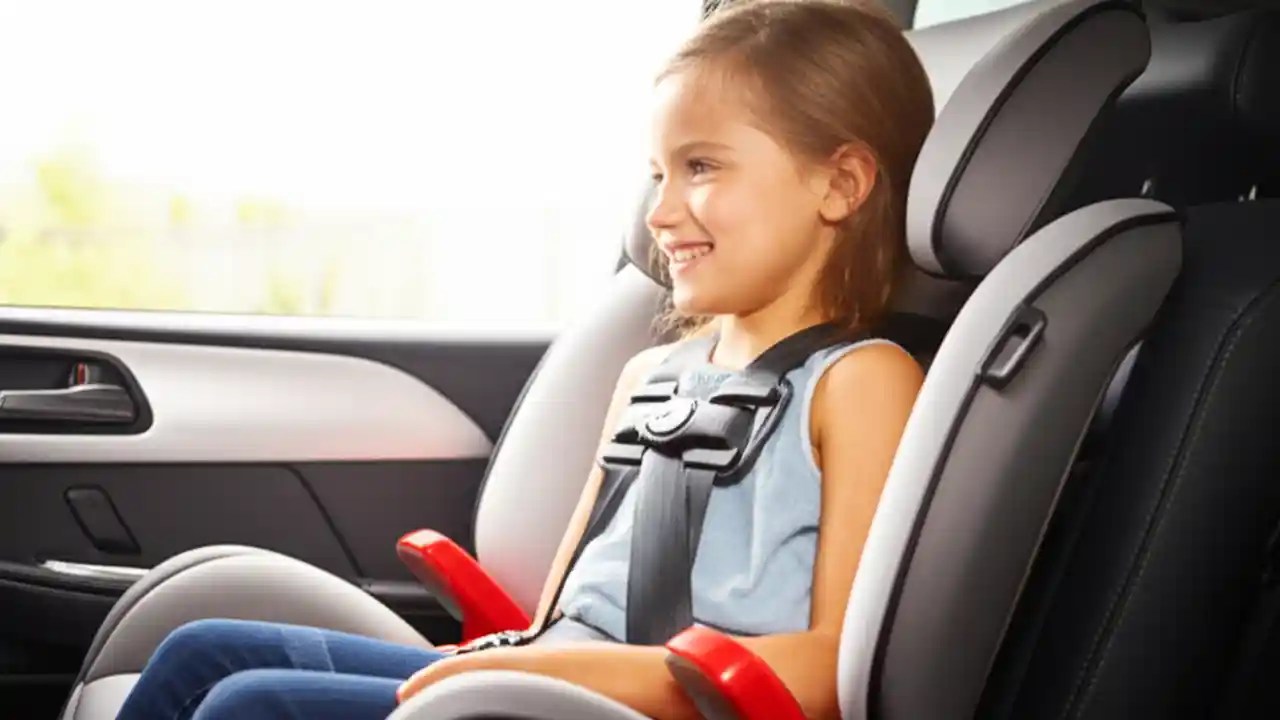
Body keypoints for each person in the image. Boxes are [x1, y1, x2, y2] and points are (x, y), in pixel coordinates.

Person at [112, 1, 934, 718]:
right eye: (657, 175)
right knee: (203, 650)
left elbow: (834, 669)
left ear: (841, 185)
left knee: (255, 706)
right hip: (554, 678)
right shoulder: (652, 377)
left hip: (665, 706)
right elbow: (566, 609)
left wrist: (536, 670)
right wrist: (518, 661)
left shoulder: (859, 382)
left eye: (702, 168)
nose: (660, 211)